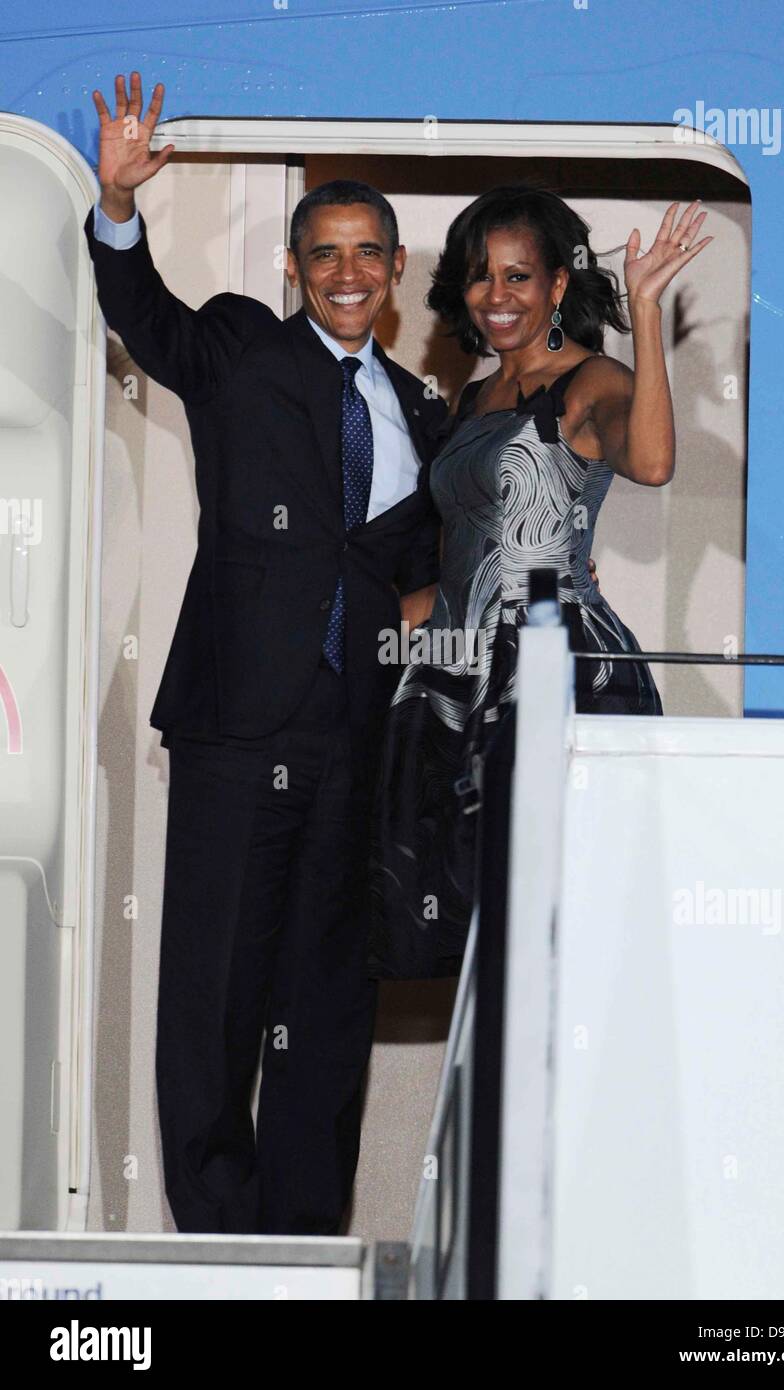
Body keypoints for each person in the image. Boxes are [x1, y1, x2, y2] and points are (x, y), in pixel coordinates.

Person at [84, 73, 445, 1234]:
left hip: (355, 744)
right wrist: (117, 205)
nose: (346, 271)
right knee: (216, 994)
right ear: (295, 269)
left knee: (327, 1004)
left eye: (367, 254)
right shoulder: (240, 348)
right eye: (324, 253)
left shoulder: (421, 409)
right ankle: (216, 1241)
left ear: (394, 274)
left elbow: (417, 561)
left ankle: (299, 1240)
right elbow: (145, 314)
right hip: (239, 729)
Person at [368, 185, 712, 981]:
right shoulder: (471, 397)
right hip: (454, 678)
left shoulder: (590, 381)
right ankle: (497, 1098)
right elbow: (461, 562)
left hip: (555, 674)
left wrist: (648, 309)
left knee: (560, 936)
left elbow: (654, 462)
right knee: (474, 943)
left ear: (559, 285)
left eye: (519, 276)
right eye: (481, 276)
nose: (496, 296)